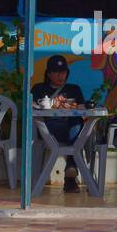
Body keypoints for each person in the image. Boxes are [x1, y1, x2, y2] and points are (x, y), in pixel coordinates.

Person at [31, 54, 86, 191]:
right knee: (74, 132)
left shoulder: (74, 89)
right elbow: (29, 105)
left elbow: (83, 108)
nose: (61, 76)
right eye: (57, 72)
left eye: (63, 72)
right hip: (48, 128)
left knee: (77, 123)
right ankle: (71, 174)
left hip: (71, 129)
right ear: (49, 74)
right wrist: (44, 105)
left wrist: (78, 107)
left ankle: (71, 173)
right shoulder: (38, 89)